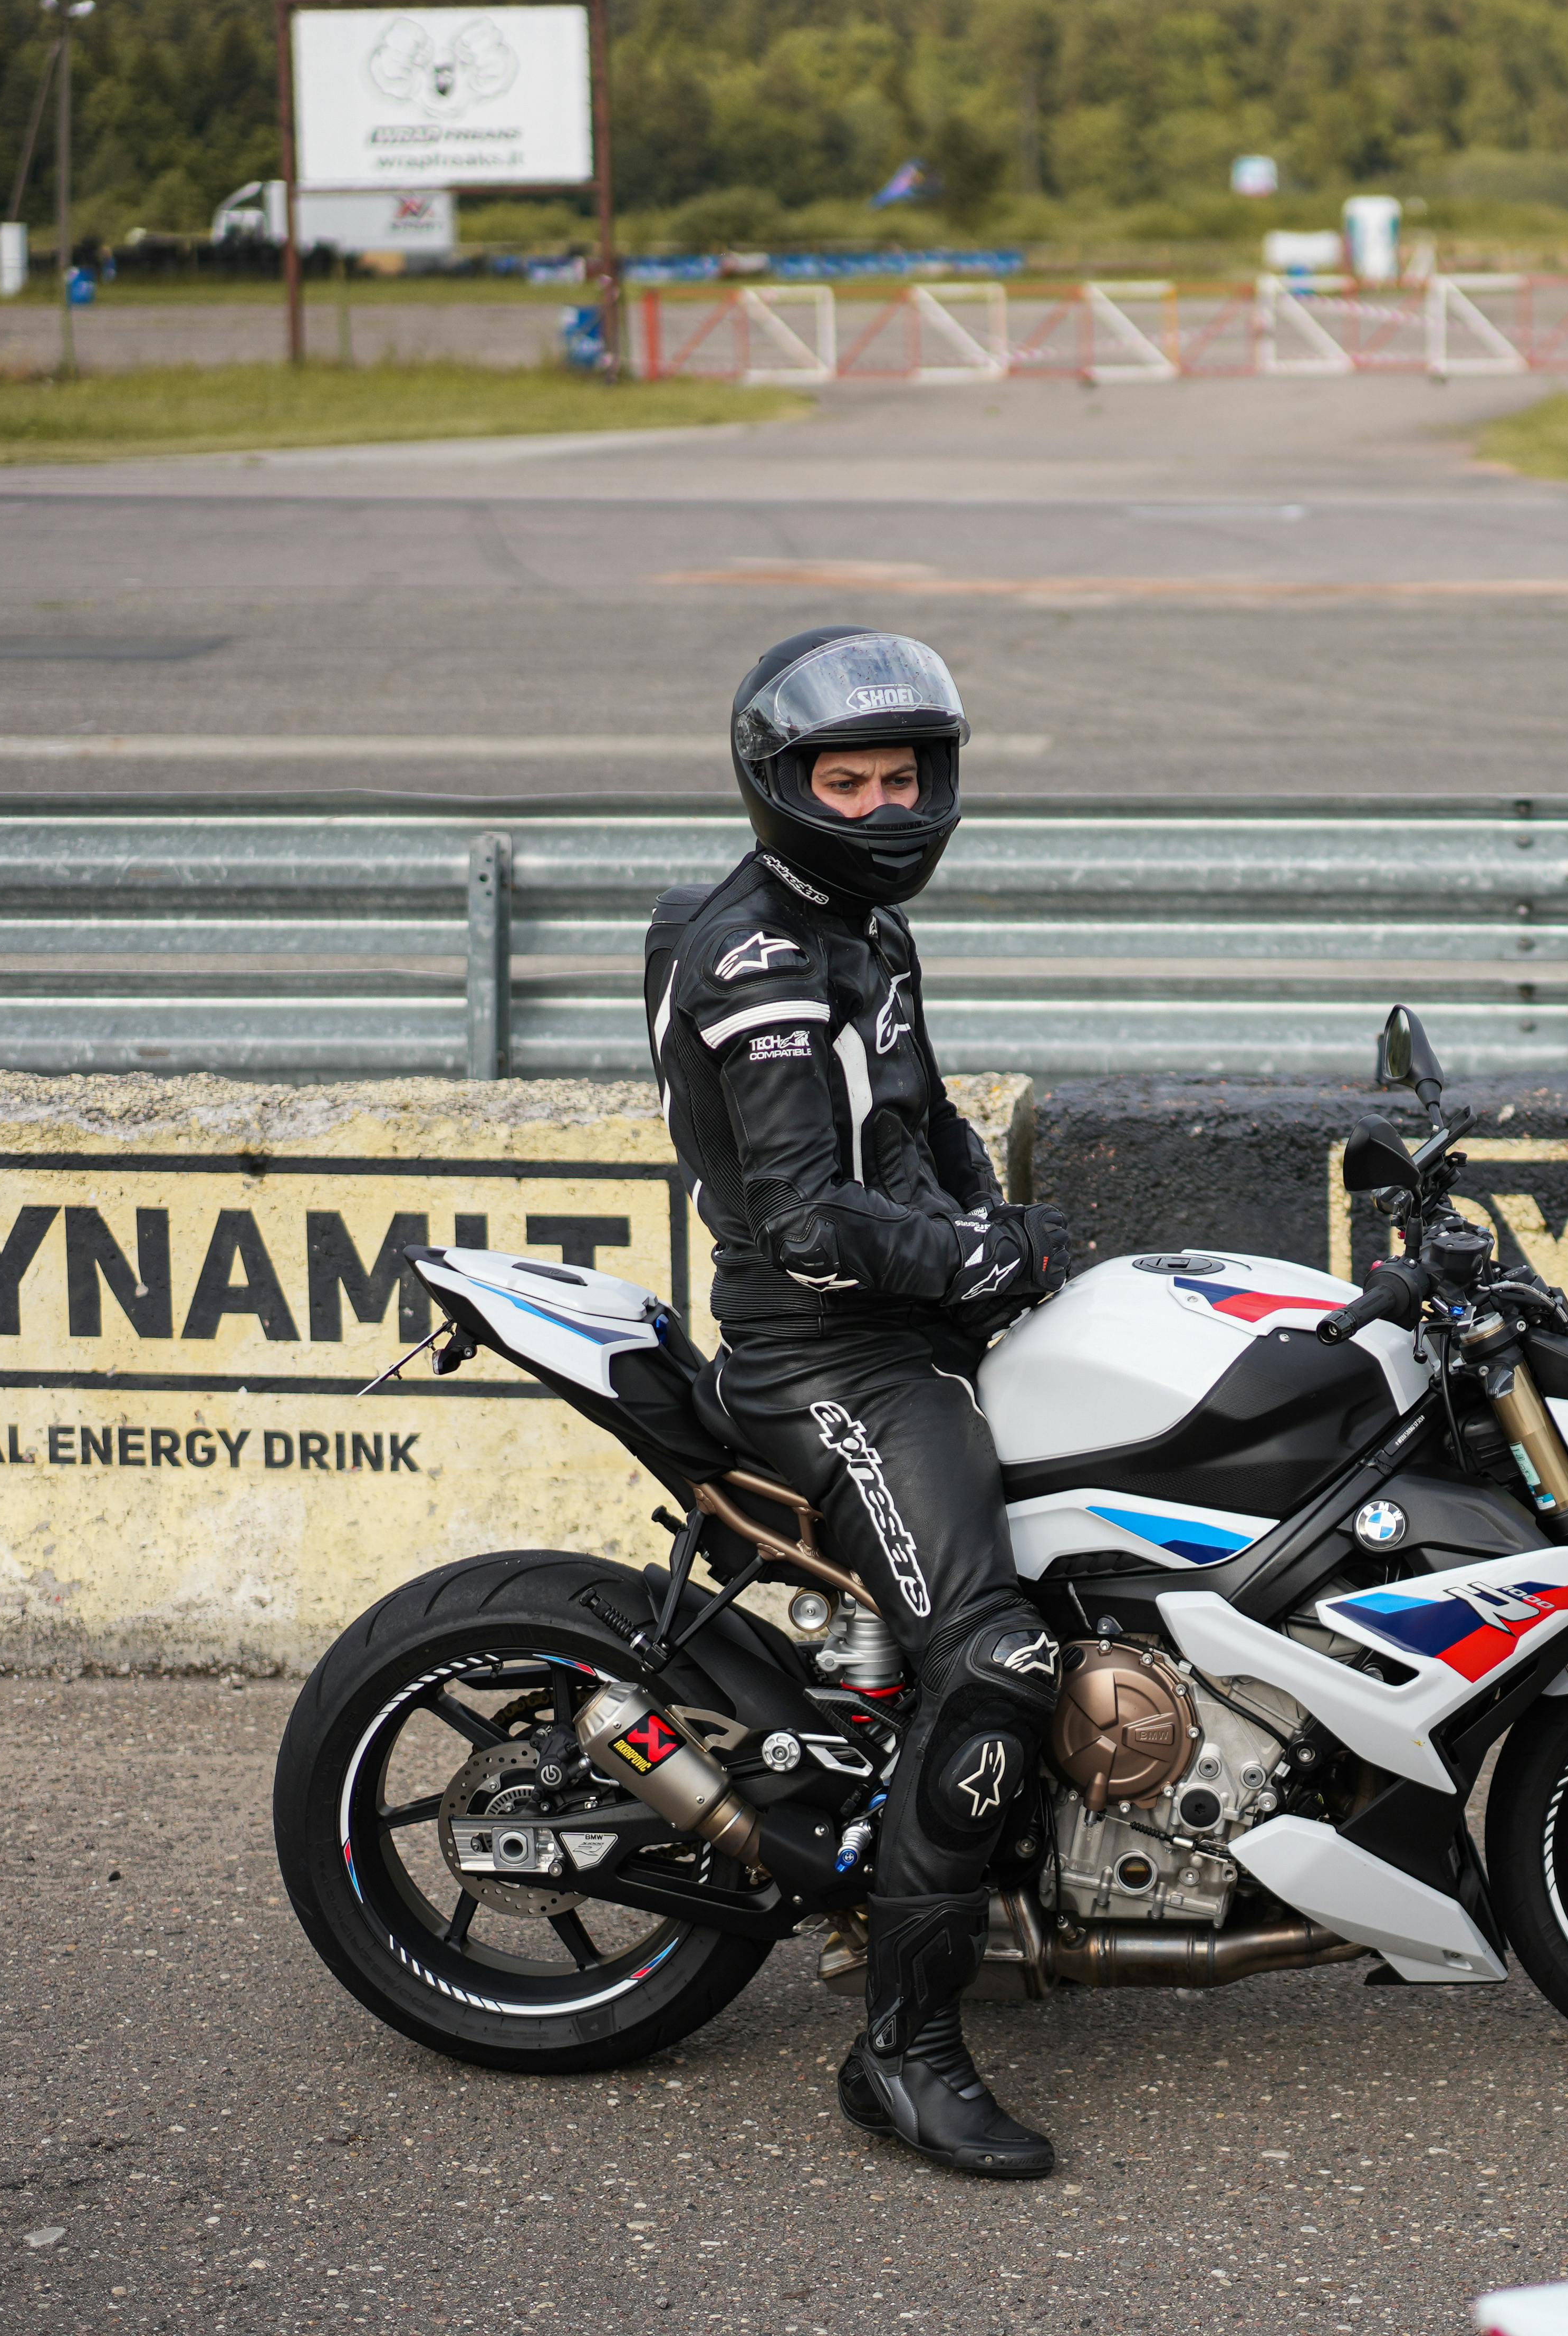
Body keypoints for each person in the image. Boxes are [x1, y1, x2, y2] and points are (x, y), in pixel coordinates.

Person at [647, 626, 1073, 2179]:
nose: (887, 805)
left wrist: (1006, 1236)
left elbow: (931, 1128)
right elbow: (811, 1221)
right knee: (1004, 1653)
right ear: (786, 784)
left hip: (913, 1331)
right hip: (826, 1359)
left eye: (907, 778)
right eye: (853, 780)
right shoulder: (759, 960)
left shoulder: (866, 932)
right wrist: (977, 1253)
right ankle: (902, 2051)